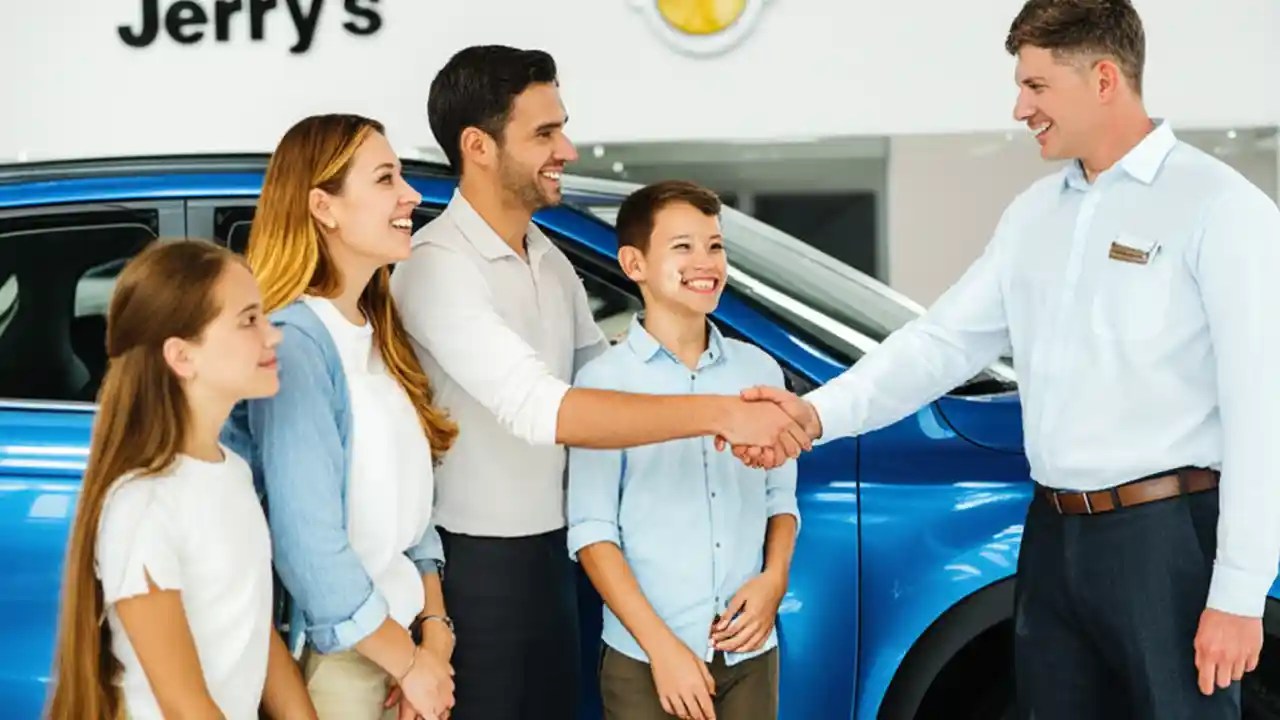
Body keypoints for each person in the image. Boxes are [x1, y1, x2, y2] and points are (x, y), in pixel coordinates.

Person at [739, 1, 1280, 718]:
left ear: (1105, 79)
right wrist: (814, 412)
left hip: (1167, 541)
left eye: (1037, 86)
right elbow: (941, 343)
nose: (1020, 107)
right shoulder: (1033, 214)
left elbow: (1261, 407)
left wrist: (1239, 594)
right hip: (1052, 540)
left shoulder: (1219, 207)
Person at [390, 45, 809, 719]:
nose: (569, 149)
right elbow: (544, 410)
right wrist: (720, 415)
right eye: (545, 133)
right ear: (479, 146)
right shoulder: (438, 268)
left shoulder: (547, 258)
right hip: (474, 577)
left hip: (552, 564)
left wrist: (709, 365)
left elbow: (610, 383)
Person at [221, 114, 457, 720]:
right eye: (386, 179)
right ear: (323, 207)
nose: (411, 195)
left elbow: (412, 521)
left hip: (398, 644)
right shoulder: (296, 343)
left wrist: (433, 633)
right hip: (341, 663)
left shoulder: (375, 331)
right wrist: (409, 663)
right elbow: (310, 548)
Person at [46, 240, 315, 719]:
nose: (273, 336)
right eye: (249, 320)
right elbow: (185, 705)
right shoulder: (143, 505)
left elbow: (254, 631)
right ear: (182, 356)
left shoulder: (230, 474)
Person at [568, 181, 800, 720]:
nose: (705, 262)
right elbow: (591, 531)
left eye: (715, 246)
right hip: (646, 659)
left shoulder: (759, 372)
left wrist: (774, 580)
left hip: (749, 653)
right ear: (634, 263)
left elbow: (780, 499)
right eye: (683, 247)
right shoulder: (602, 383)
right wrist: (663, 650)